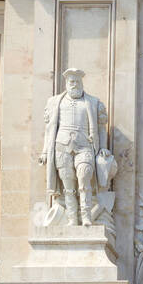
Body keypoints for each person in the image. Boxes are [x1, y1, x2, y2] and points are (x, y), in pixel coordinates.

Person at [41, 68, 111, 225]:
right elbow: (49, 129)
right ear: (66, 83)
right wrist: (45, 152)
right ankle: (72, 218)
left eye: (77, 81)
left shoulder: (93, 102)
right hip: (61, 146)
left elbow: (101, 128)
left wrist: (104, 147)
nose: (74, 85)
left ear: (81, 83)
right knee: (68, 184)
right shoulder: (54, 102)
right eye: (71, 82)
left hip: (85, 146)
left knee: (84, 176)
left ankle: (86, 215)